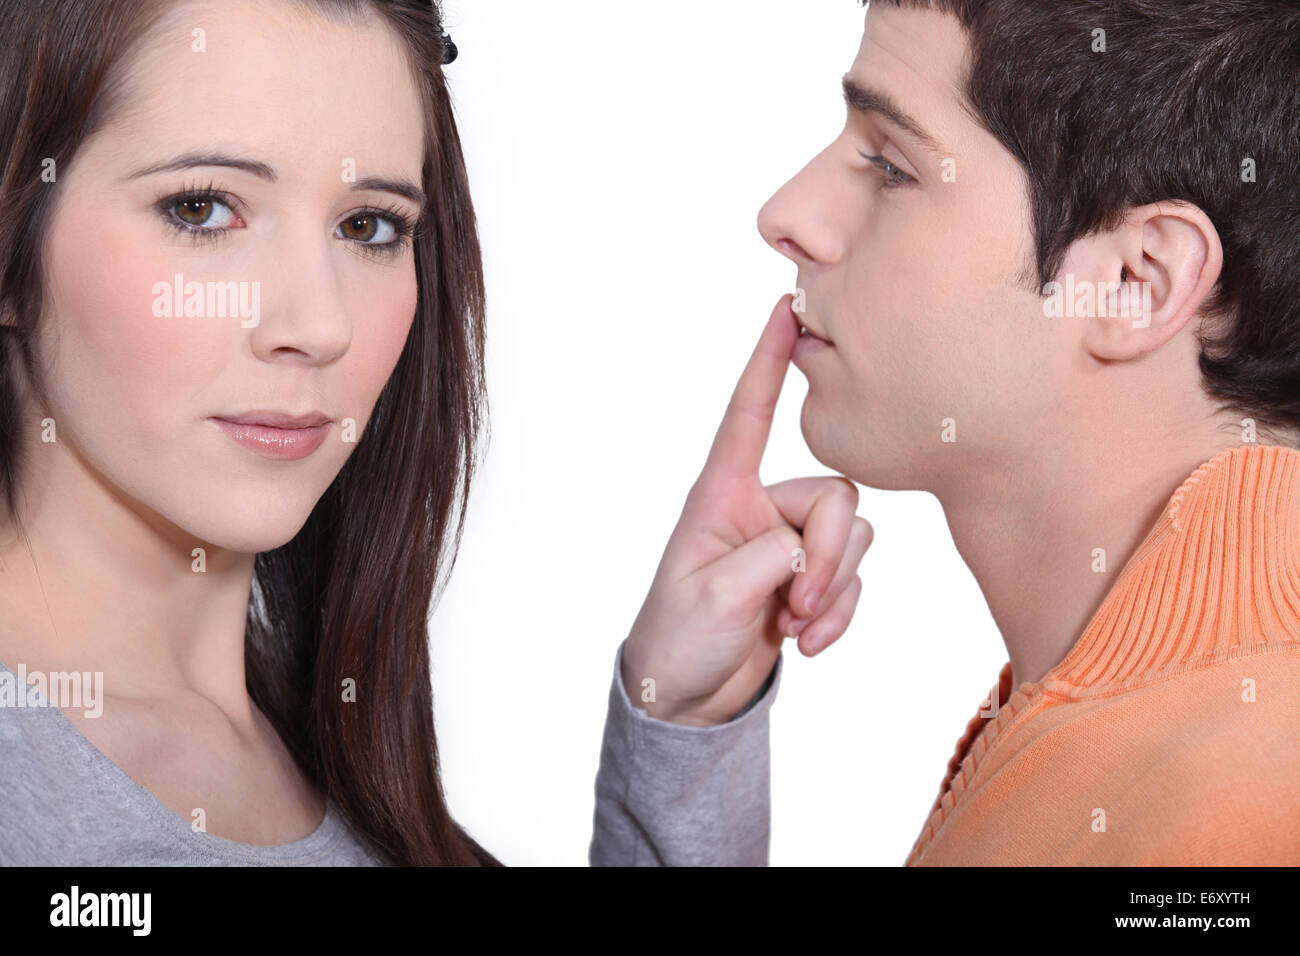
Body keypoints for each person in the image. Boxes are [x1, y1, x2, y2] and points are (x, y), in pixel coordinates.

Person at [0, 0, 870, 866]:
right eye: (200, 209)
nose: (320, 322)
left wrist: (682, 726)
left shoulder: (331, 746)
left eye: (368, 226)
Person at [607, 0, 1300, 865]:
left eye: (891, 164)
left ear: (1137, 281)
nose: (786, 213)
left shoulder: (1238, 817)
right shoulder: (1161, 734)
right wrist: (683, 743)